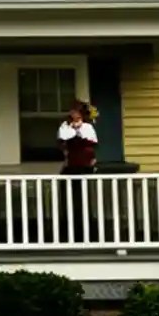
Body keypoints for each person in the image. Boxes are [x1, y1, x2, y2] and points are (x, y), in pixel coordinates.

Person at [56, 103, 99, 242]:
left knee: (84, 199)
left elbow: (92, 143)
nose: (74, 114)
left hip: (85, 167)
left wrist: (80, 134)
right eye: (72, 112)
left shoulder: (88, 127)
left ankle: (87, 232)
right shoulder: (65, 126)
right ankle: (70, 231)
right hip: (71, 167)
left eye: (77, 112)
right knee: (70, 199)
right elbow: (62, 142)